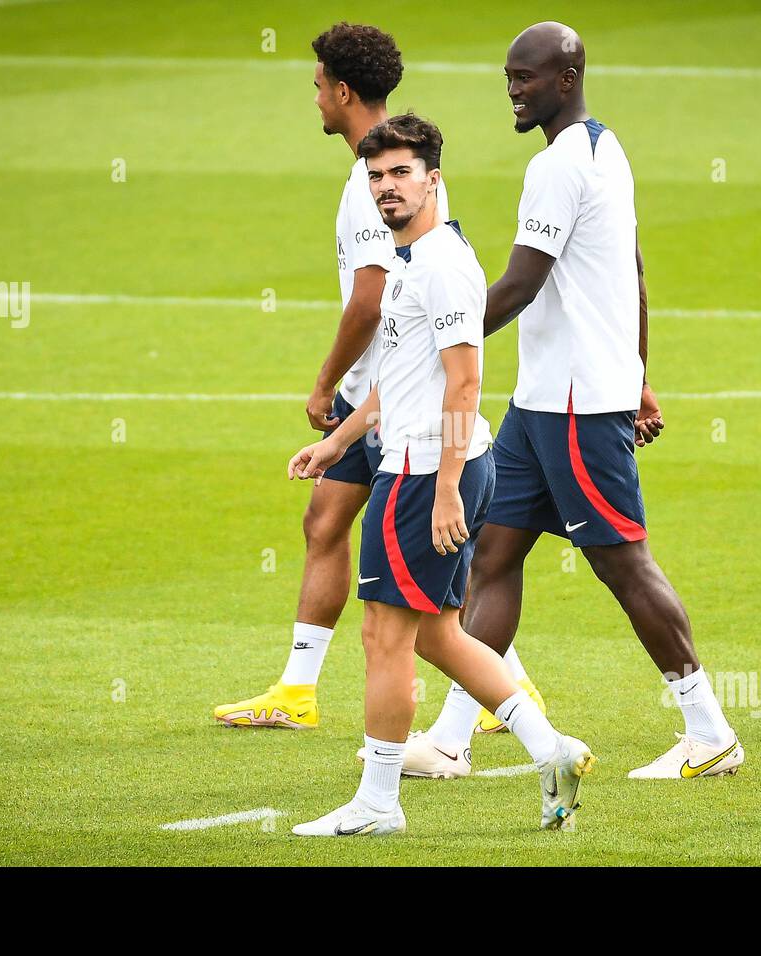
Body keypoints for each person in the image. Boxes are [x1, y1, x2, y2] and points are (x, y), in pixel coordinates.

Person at [412, 22, 746, 780]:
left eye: (524, 78)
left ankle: (710, 729)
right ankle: (454, 736)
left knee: (621, 561)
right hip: (542, 404)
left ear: (565, 79)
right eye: (506, 77)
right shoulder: (605, 146)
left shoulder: (560, 168)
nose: (512, 91)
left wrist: (437, 346)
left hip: (576, 406)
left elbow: (520, 285)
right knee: (492, 555)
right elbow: (632, 269)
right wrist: (641, 372)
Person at [215, 23, 545, 737]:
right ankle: (302, 689)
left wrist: (325, 388)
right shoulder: (393, 166)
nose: (315, 102)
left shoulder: (376, 187)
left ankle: (500, 707)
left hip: (396, 403)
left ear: (340, 89)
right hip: (390, 399)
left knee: (407, 613)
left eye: (316, 88)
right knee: (333, 527)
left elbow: (371, 295)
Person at [286, 114, 592, 836]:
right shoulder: (411, 262)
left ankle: (379, 802)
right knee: (436, 635)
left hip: (427, 472)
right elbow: (405, 375)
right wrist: (341, 441)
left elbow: (464, 382)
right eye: (377, 176)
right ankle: (552, 751)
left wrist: (447, 484)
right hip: (429, 462)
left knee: (384, 639)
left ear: (433, 179)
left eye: (401, 173)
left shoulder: (446, 266)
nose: (387, 187)